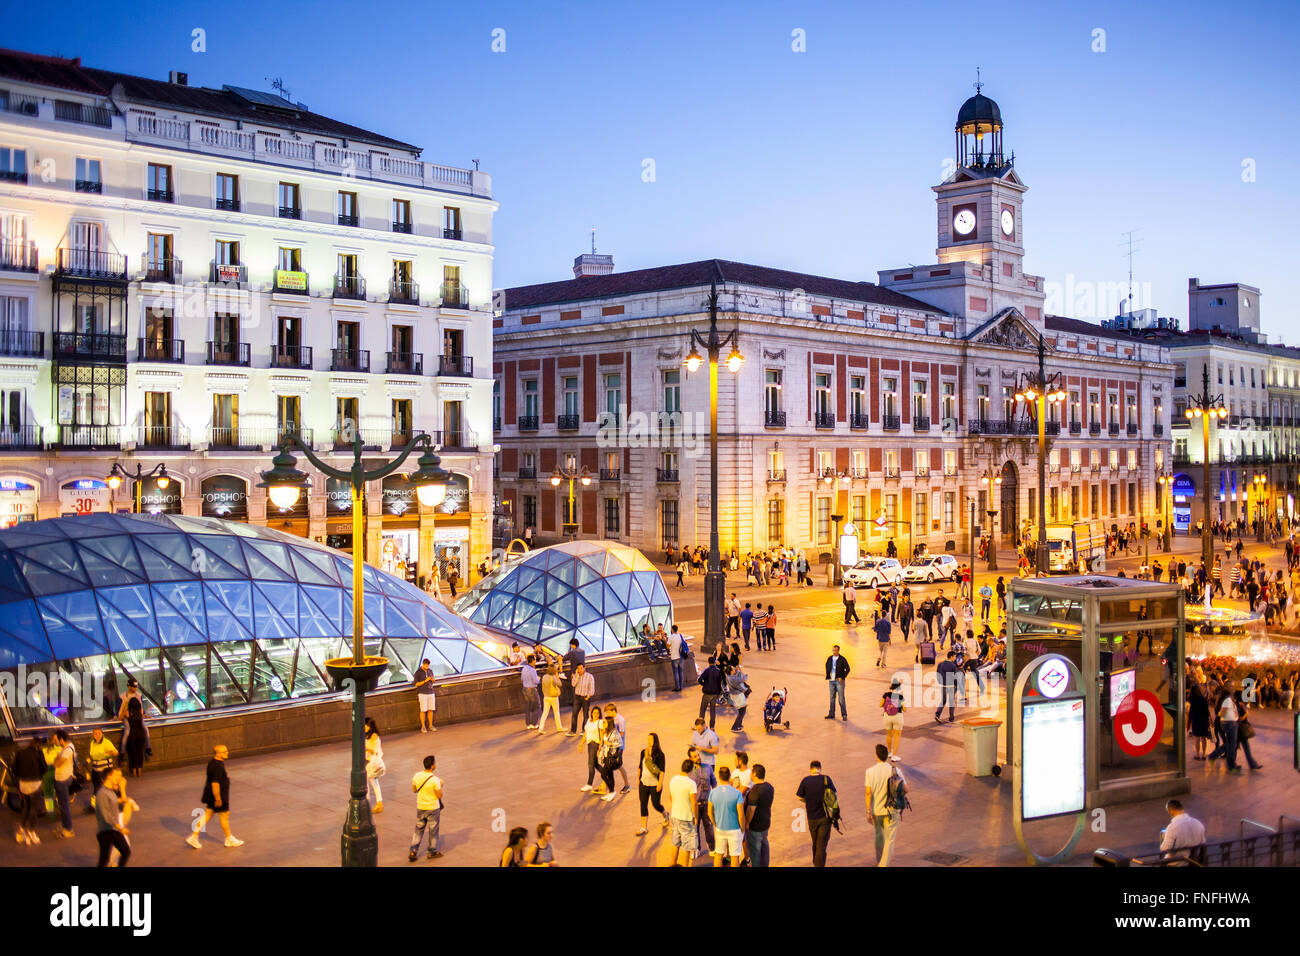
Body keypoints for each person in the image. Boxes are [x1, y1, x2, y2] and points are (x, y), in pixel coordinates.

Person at [186, 744, 243, 849]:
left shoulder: (213, 762)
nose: (227, 753)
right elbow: (215, 783)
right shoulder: (218, 766)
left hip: (211, 795)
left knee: (208, 814)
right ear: (219, 753)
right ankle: (229, 839)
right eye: (225, 752)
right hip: (219, 796)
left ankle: (194, 837)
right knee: (224, 815)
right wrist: (218, 799)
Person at [864, 743, 903, 866]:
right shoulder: (895, 770)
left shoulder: (870, 772)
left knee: (878, 835)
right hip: (891, 810)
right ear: (887, 756)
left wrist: (868, 811)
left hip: (876, 811)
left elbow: (868, 793)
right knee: (889, 839)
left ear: (876, 756)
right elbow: (906, 788)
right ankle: (883, 864)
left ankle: (879, 859)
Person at [795, 760, 837, 867]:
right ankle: (818, 864)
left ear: (810, 769)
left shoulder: (805, 780)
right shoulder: (826, 779)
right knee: (821, 846)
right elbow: (833, 795)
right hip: (825, 817)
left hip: (811, 818)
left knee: (816, 842)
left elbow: (799, 796)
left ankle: (816, 862)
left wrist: (807, 800)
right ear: (820, 768)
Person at [94, 766, 134, 867]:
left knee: (125, 851)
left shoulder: (110, 791)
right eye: (117, 775)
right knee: (104, 859)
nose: (119, 778)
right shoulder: (102, 793)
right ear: (109, 776)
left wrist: (122, 788)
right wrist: (121, 828)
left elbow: (117, 802)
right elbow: (106, 816)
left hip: (112, 830)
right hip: (105, 831)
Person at [707, 766, 745, 867]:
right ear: (729, 776)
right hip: (735, 829)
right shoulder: (737, 793)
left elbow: (709, 812)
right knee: (734, 857)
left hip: (720, 829)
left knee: (719, 854)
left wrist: (716, 824)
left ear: (719, 777)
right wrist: (742, 828)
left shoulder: (713, 792)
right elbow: (741, 815)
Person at [12, 736, 47, 846]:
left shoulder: (20, 753)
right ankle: (31, 831)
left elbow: (14, 769)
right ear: (38, 745)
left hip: (23, 784)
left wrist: (22, 776)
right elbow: (44, 769)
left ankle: (21, 829)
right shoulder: (39, 753)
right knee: (33, 808)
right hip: (34, 784)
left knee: (26, 806)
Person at [409, 755, 444, 861]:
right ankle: (432, 851)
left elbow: (414, 790)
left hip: (421, 806)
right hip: (433, 808)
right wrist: (441, 785)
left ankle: (413, 851)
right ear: (432, 766)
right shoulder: (435, 780)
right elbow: (439, 795)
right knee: (433, 830)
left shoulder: (417, 775)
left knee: (418, 830)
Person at [635, 732, 669, 836]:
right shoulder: (643, 752)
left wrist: (660, 783)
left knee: (655, 804)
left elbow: (662, 770)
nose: (649, 741)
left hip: (655, 784)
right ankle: (643, 827)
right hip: (643, 783)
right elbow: (640, 767)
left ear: (655, 741)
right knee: (643, 804)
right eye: (648, 739)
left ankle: (665, 814)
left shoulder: (660, 754)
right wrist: (638, 779)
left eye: (651, 739)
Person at [668, 758, 699, 866]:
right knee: (687, 847)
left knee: (675, 844)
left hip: (675, 816)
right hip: (686, 818)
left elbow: (670, 796)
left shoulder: (673, 779)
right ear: (691, 770)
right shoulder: (691, 784)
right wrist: (695, 817)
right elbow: (694, 803)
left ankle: (672, 864)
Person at [743, 763, 774, 867]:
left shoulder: (755, 791)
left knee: (755, 851)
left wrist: (747, 823)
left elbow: (751, 809)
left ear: (755, 774)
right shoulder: (769, 787)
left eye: (751, 772)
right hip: (765, 823)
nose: (750, 774)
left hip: (755, 826)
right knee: (765, 846)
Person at [50, 729, 79, 839]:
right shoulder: (67, 747)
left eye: (55, 740)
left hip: (62, 779)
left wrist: (56, 759)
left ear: (61, 739)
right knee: (63, 805)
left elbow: (57, 764)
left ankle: (68, 830)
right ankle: (65, 827)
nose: (54, 742)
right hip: (64, 777)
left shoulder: (67, 750)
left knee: (64, 806)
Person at [87, 727, 119, 809]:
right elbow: (92, 755)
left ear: (102, 734)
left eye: (99, 733)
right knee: (97, 786)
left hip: (105, 768)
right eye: (95, 733)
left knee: (101, 787)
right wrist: (88, 760)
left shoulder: (106, 742)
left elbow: (116, 753)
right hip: (96, 768)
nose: (97, 735)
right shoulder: (92, 743)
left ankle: (95, 805)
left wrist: (108, 753)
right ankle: (103, 803)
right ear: (93, 735)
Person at [580, 705, 606, 793]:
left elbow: (602, 736)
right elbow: (586, 733)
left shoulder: (600, 722)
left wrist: (599, 748)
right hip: (589, 744)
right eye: (594, 713)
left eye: (597, 713)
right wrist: (581, 744)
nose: (596, 714)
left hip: (595, 744)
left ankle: (589, 784)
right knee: (595, 764)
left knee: (590, 764)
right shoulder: (589, 721)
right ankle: (606, 774)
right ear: (591, 713)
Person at [595, 717, 623, 802]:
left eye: (604, 723)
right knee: (610, 775)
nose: (603, 724)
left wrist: (610, 743)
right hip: (607, 756)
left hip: (612, 757)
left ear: (609, 723)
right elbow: (603, 744)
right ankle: (611, 792)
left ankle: (612, 791)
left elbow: (620, 743)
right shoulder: (605, 732)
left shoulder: (614, 732)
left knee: (603, 774)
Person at [122, 695, 148, 777]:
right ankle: (139, 770)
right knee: (140, 752)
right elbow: (143, 717)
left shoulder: (128, 712)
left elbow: (120, 717)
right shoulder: (140, 711)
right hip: (141, 735)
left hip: (132, 735)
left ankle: (134, 771)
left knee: (132, 753)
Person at [364, 717, 386, 811]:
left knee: (367, 783)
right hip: (370, 761)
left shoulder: (374, 736)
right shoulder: (369, 735)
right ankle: (378, 802)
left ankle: (367, 802)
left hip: (371, 762)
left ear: (369, 726)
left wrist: (364, 747)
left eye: (364, 725)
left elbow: (373, 750)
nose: (363, 727)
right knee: (373, 782)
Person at [568, 663, 594, 737]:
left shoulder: (589, 676)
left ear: (584, 668)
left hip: (585, 697)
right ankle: (573, 730)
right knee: (574, 714)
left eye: (581, 668)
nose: (579, 670)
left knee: (585, 714)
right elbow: (573, 685)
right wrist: (576, 676)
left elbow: (591, 687)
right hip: (577, 697)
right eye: (578, 668)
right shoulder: (576, 676)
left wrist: (588, 696)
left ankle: (584, 730)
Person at [698, 656, 724, 729]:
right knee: (713, 711)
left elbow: (699, 680)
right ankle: (712, 726)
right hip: (714, 694)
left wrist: (704, 685)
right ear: (714, 662)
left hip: (706, 693)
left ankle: (700, 725)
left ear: (708, 662)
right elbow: (720, 683)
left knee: (702, 710)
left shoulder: (706, 670)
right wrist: (719, 693)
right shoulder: (718, 671)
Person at [881, 679, 905, 759]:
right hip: (897, 716)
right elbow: (905, 709)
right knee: (897, 736)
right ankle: (894, 756)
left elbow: (880, 704)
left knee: (889, 735)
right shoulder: (900, 696)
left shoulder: (886, 694)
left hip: (887, 716)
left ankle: (889, 752)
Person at [825, 644, 850, 720]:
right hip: (831, 681)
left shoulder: (842, 659)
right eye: (833, 650)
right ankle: (831, 714)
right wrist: (828, 675)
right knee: (832, 698)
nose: (834, 652)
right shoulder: (830, 658)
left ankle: (844, 715)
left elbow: (848, 669)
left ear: (838, 651)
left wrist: (842, 677)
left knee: (841, 699)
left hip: (839, 682)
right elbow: (827, 665)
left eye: (835, 650)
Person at [538, 664, 564, 735]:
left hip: (546, 697)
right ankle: (559, 727)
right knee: (556, 712)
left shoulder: (544, 677)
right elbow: (560, 684)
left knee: (545, 713)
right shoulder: (553, 677)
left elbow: (542, 687)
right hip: (553, 697)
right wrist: (557, 677)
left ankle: (541, 728)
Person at [414, 658, 437, 733]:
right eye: (426, 666)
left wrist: (433, 680)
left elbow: (433, 680)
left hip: (431, 692)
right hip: (422, 693)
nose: (427, 667)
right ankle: (423, 727)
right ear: (423, 664)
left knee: (431, 709)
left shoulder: (430, 671)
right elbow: (416, 684)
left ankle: (430, 725)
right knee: (423, 710)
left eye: (428, 666)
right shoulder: (418, 672)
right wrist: (425, 681)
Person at [935, 651, 959, 723]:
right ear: (951, 656)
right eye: (954, 656)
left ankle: (937, 714)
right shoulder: (953, 665)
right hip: (951, 686)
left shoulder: (940, 664)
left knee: (943, 701)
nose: (955, 658)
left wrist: (940, 682)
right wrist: (956, 685)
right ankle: (951, 717)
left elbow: (938, 674)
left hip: (943, 685)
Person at [520, 654, 541, 729]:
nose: (535, 661)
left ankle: (528, 724)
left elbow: (522, 679)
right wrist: (539, 678)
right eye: (535, 660)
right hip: (532, 689)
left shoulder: (524, 668)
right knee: (537, 706)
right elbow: (536, 681)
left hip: (525, 688)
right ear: (532, 661)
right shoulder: (532, 670)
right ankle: (534, 724)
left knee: (528, 707)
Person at [668, 624, 688, 692]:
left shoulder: (671, 637)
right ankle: (681, 686)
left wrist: (665, 640)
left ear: (672, 630)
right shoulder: (680, 635)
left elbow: (668, 645)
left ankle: (677, 687)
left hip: (674, 657)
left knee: (676, 673)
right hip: (681, 656)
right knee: (681, 672)